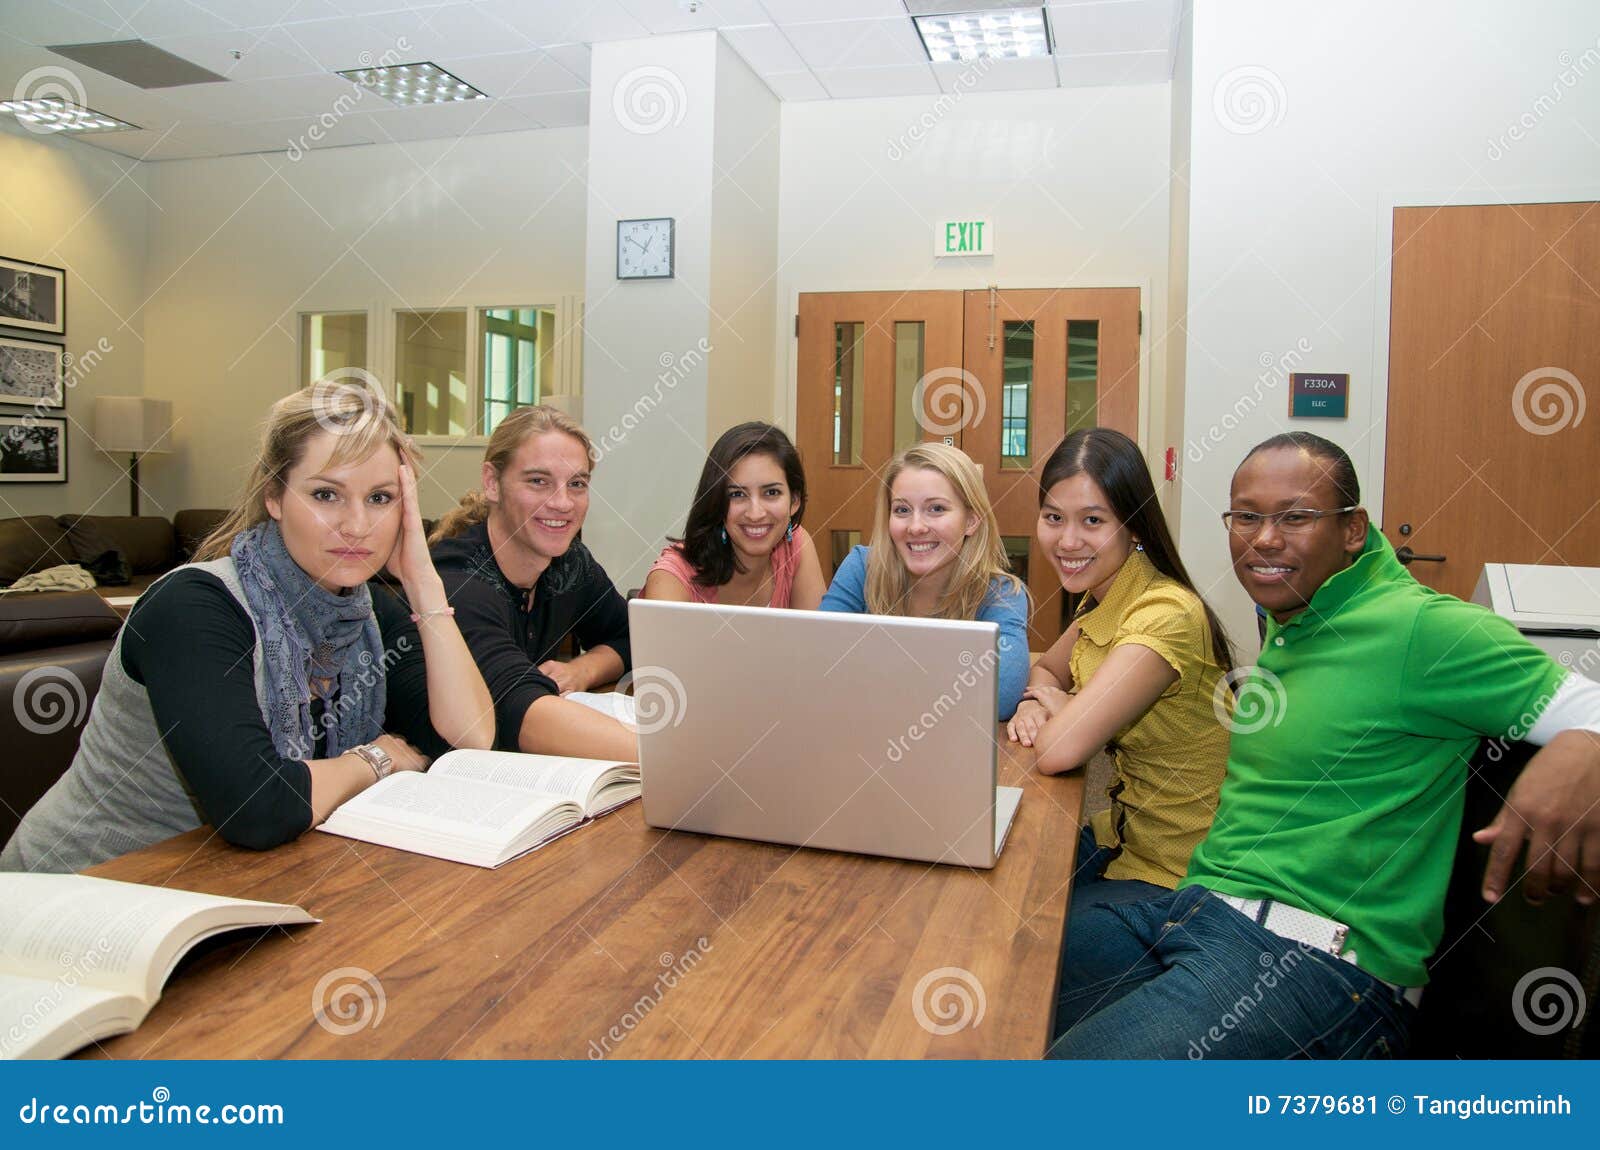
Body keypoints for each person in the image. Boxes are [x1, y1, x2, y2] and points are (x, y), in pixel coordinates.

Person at [1048, 431, 1600, 1059]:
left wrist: (1585, 747)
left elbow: (1591, 705)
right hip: (1195, 913)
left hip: (1313, 959)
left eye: (1296, 517)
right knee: (1015, 972)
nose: (1264, 539)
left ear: (1353, 529)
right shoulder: (1295, 619)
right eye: (1247, 517)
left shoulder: (1419, 627)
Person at [1, 379, 495, 873]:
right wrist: (374, 760)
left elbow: (465, 741)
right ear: (275, 498)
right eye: (326, 494)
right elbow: (257, 809)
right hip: (86, 883)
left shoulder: (365, 609)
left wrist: (424, 586)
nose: (357, 525)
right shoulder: (192, 606)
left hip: (242, 881)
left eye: (380, 498)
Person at [1009, 428, 1233, 925]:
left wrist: (1065, 713)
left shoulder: (1163, 615)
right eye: (1053, 518)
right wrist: (1035, 702)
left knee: (1025, 931)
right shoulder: (1107, 594)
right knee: (1003, 875)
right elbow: (1046, 667)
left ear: (1134, 526)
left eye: (1092, 520)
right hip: (1123, 834)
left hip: (1180, 871)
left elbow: (1057, 751)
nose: (1067, 540)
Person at [430, 405, 635, 762]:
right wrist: (679, 761)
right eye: (538, 481)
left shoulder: (569, 563)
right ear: (493, 482)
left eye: (577, 484)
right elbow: (518, 710)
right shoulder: (458, 578)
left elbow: (632, 637)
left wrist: (582, 669)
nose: (561, 503)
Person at [819, 442, 1029, 720]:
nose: (916, 527)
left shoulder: (1002, 593)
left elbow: (999, 696)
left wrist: (867, 674)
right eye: (902, 510)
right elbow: (821, 663)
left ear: (971, 521)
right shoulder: (861, 567)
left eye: (936, 509)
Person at [643, 422, 825, 610]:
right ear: (716, 502)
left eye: (771, 492)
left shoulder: (796, 544)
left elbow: (818, 638)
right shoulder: (671, 577)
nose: (756, 514)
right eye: (737, 494)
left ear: (794, 501)